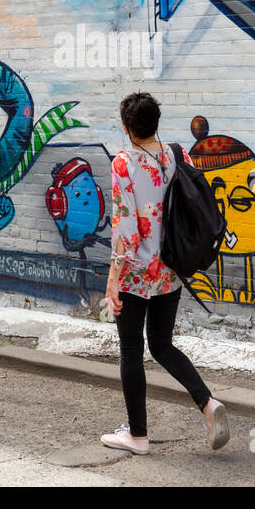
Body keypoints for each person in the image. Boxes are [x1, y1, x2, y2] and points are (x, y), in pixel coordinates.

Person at [101, 92, 229, 455]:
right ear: (155, 123)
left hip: (137, 271)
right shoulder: (177, 154)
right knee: (161, 343)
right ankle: (207, 403)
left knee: (130, 350)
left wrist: (113, 278)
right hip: (170, 268)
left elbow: (125, 227)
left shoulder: (123, 162)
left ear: (127, 128)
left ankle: (137, 436)